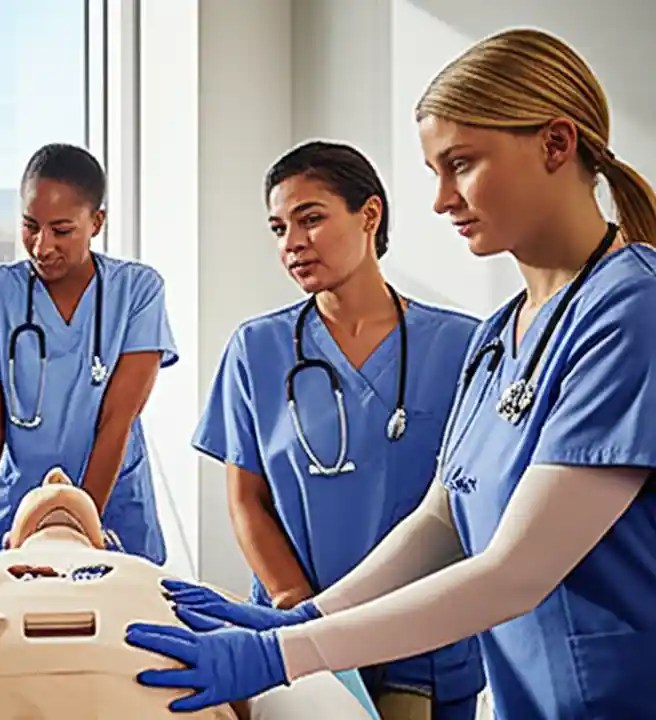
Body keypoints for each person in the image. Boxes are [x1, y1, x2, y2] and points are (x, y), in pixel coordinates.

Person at [126, 27, 656, 719]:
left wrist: (288, 654)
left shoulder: (632, 310)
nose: (440, 200)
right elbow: (442, 520)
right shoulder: (500, 336)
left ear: (556, 144)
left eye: (460, 163)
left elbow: (516, 572)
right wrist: (305, 615)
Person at [186, 140, 484, 719]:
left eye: (311, 218)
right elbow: (247, 501)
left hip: (420, 635)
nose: (291, 243)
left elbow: (468, 508)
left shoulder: (462, 346)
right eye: (278, 228)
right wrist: (301, 613)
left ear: (369, 215)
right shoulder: (257, 349)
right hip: (296, 633)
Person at [0, 467, 378, 720]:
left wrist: (287, 636)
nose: (57, 477)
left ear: (107, 540)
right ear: (5, 544)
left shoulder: (172, 585)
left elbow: (282, 670)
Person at [0, 142, 179, 565]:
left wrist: (78, 532)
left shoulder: (138, 291)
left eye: (62, 229)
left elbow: (116, 422)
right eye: (30, 225)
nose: (41, 246)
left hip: (114, 520)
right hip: (15, 522)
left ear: (97, 222)